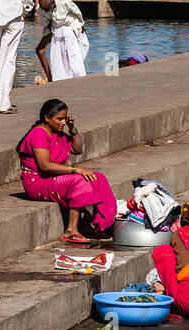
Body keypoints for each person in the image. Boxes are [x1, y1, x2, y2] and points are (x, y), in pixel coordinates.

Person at [16, 99, 116, 243]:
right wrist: (76, 169)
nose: (63, 122)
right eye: (59, 119)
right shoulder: (38, 134)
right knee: (80, 180)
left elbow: (77, 149)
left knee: (97, 178)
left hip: (54, 178)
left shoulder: (59, 133)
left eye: (65, 118)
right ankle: (71, 230)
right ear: (46, 118)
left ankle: (89, 225)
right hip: (37, 182)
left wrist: (72, 128)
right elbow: (45, 166)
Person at [34, 0, 89, 82]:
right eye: (45, 10)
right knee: (47, 52)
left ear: (52, 2)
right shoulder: (40, 9)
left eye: (48, 9)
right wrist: (52, 31)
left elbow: (76, 11)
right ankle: (55, 77)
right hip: (53, 27)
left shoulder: (63, 0)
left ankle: (76, 75)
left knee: (72, 54)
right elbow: (46, 24)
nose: (47, 12)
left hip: (69, 24)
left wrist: (82, 24)